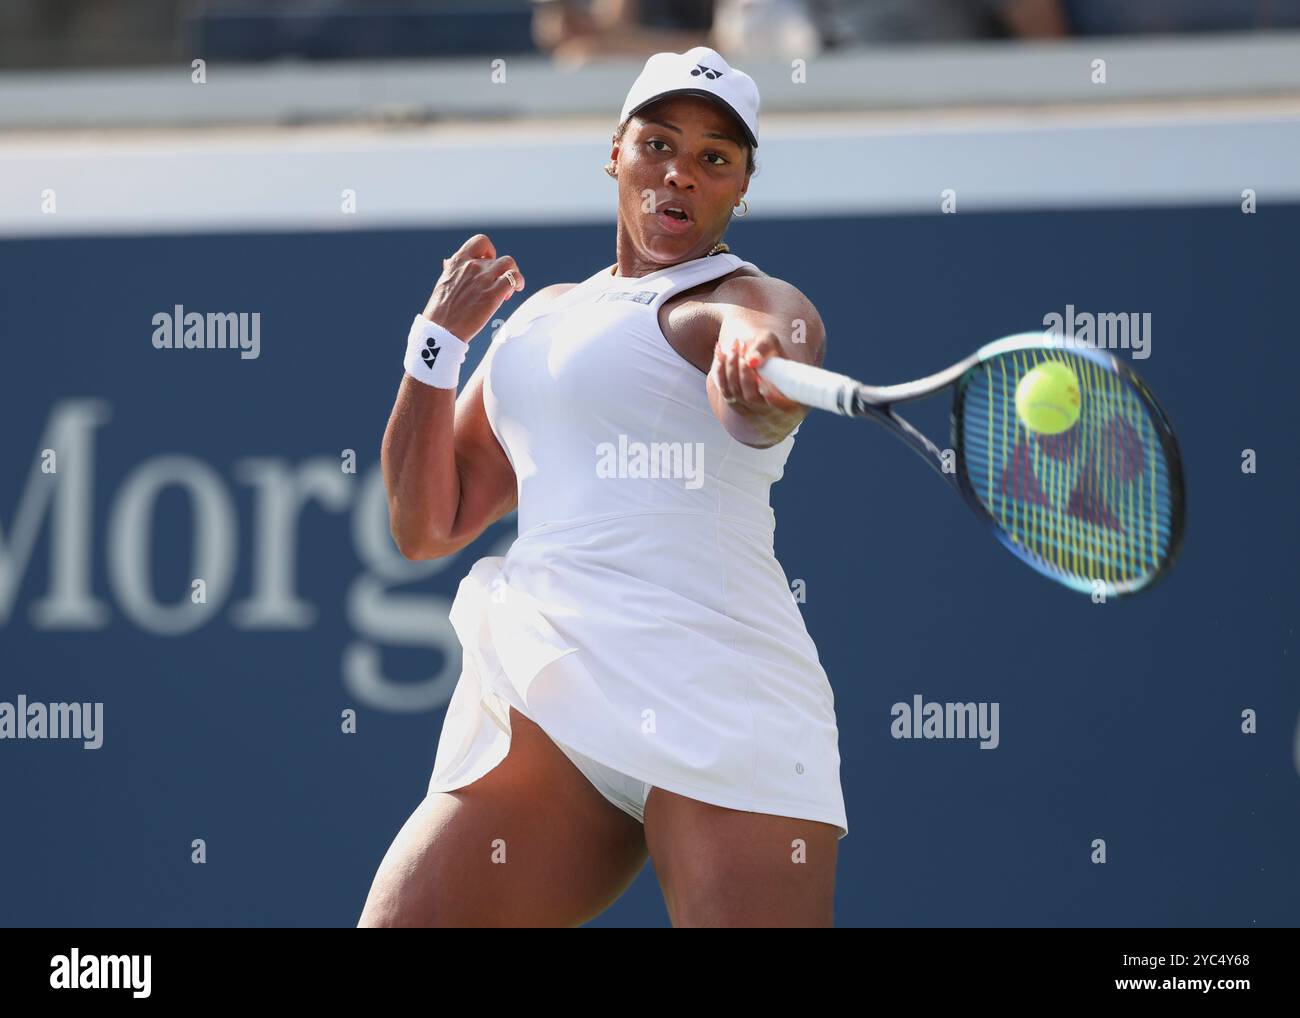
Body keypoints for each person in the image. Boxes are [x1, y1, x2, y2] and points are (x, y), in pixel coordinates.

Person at [361, 45, 846, 928]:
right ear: (614, 151)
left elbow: (779, 335)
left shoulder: (731, 299)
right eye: (659, 143)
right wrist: (434, 348)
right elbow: (428, 526)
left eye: (714, 159)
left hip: (721, 701)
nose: (680, 174)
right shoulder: (542, 319)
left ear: (741, 188)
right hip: (561, 703)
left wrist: (762, 363)